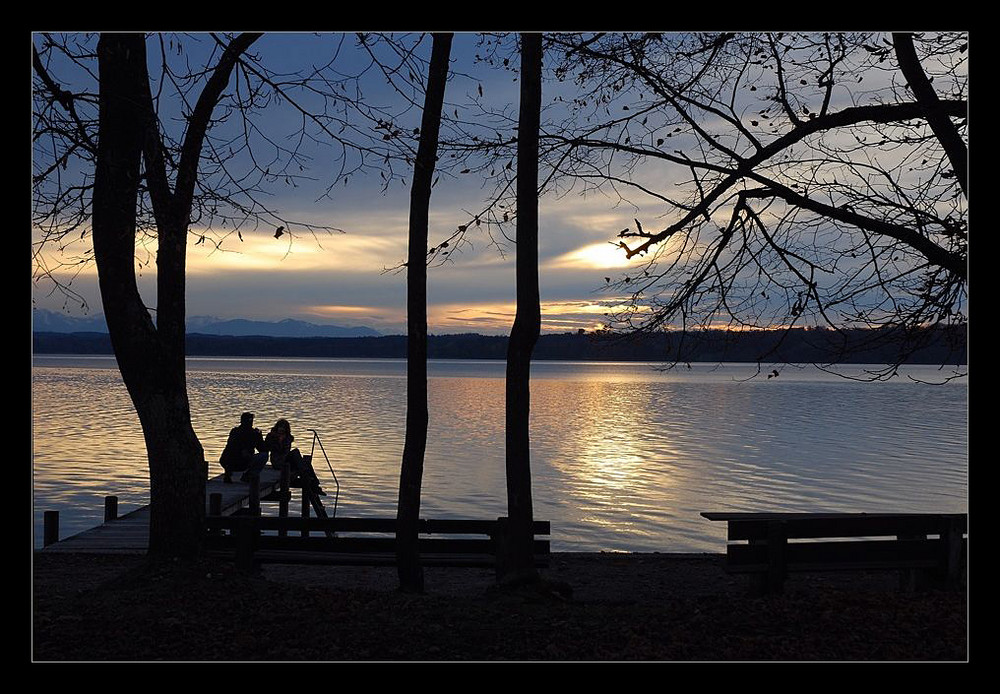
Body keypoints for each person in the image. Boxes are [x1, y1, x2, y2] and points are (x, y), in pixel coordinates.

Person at [265, 418, 326, 496]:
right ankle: (311, 480)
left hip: (286, 461)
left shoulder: (287, 438)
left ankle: (315, 485)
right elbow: (273, 449)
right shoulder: (271, 436)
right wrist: (279, 441)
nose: (281, 429)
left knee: (305, 463)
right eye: (280, 427)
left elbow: (286, 452)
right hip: (277, 462)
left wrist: (284, 441)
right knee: (296, 453)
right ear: (277, 427)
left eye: (283, 428)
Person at [219, 412, 269, 483]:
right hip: (242, 463)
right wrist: (260, 437)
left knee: (233, 455)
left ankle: (228, 472)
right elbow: (262, 449)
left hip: (225, 461)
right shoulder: (254, 434)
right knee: (264, 455)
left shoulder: (234, 431)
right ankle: (249, 475)